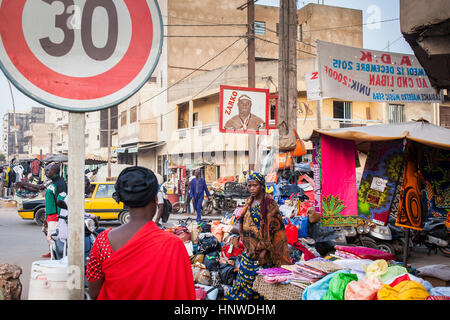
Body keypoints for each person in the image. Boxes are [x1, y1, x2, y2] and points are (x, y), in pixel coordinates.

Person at [85, 166, 196, 300]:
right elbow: (183, 294)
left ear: (124, 202)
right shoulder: (173, 244)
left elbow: (94, 293)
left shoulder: (103, 242)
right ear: (155, 199)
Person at [225, 172, 291, 300]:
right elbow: (243, 223)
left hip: (264, 255)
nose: (251, 189)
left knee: (260, 287)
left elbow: (274, 231)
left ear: (261, 186)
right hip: (248, 253)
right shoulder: (249, 202)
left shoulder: (269, 205)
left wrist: (264, 252)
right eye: (249, 186)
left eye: (254, 185)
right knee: (242, 284)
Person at [42, 163, 67, 258]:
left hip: (55, 217)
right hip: (50, 216)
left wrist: (60, 218)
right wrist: (46, 218)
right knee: (48, 234)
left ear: (55, 171)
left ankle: (55, 257)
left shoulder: (60, 184)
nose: (46, 171)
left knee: (53, 238)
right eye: (46, 169)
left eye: (48, 170)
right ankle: (51, 252)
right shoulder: (52, 183)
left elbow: (61, 201)